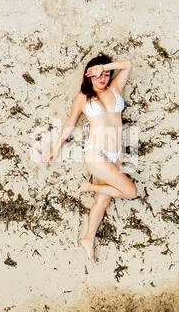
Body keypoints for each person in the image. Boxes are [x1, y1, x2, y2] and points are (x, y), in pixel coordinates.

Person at [41, 55, 137, 261]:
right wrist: (54, 149)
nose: (102, 78)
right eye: (97, 74)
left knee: (102, 201)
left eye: (105, 74)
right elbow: (70, 124)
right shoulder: (84, 97)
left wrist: (104, 66)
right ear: (88, 75)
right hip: (97, 153)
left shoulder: (115, 88)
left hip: (115, 154)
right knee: (130, 192)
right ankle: (89, 187)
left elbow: (128, 65)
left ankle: (88, 238)